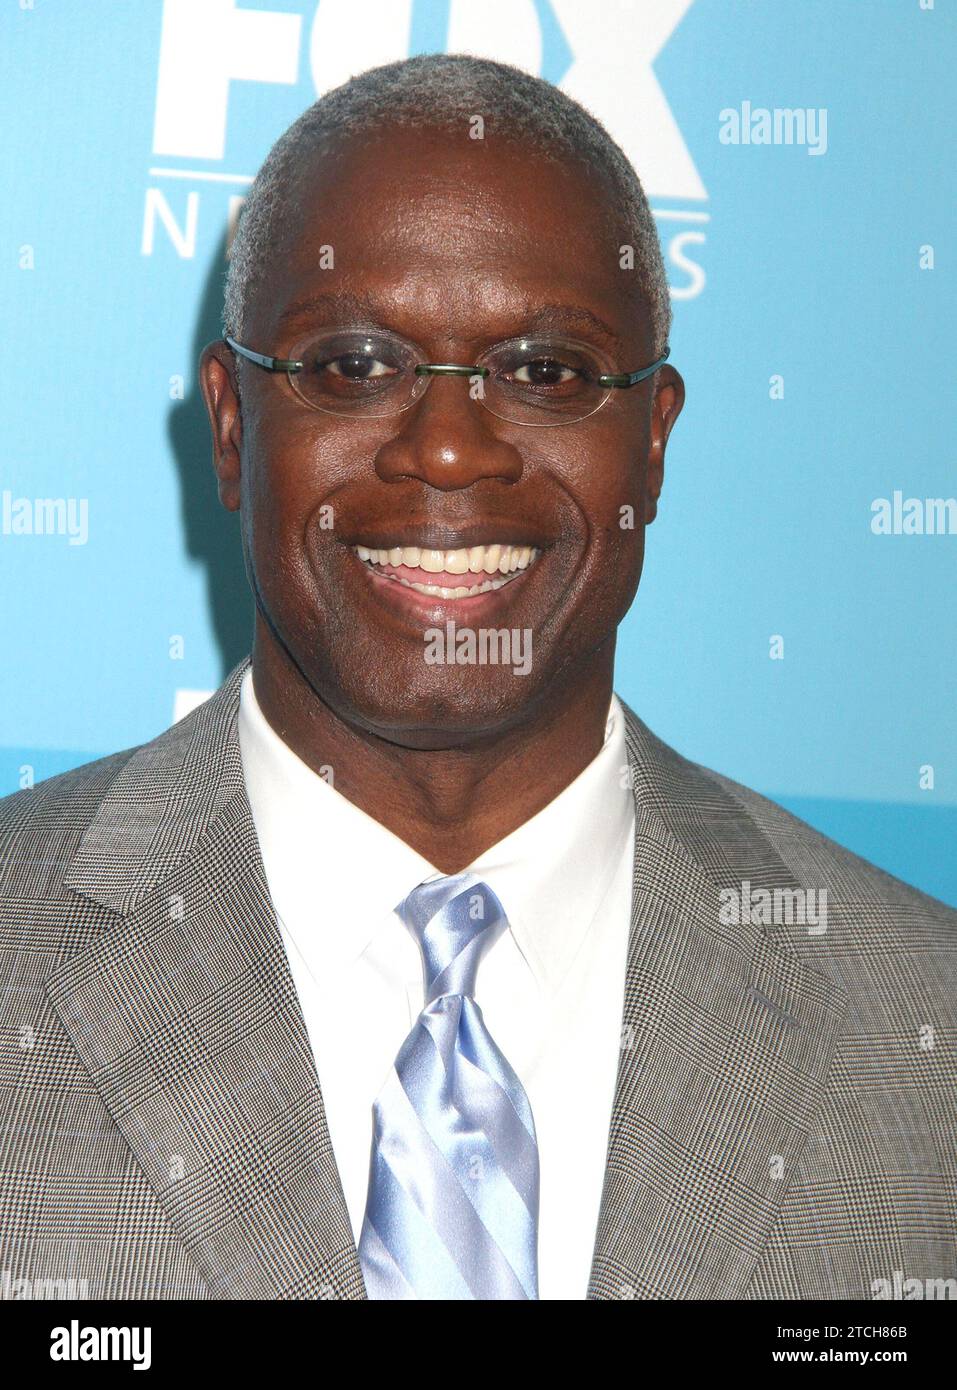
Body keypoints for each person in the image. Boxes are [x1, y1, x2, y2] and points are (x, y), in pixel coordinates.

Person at [0, 54, 954, 1303]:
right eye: (351, 365)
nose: (448, 446)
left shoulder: (921, 1029)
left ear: (651, 444)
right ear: (233, 426)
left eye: (546, 372)